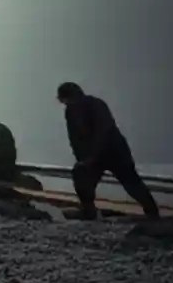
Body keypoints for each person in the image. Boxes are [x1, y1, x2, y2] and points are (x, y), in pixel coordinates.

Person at [56, 82, 160, 220]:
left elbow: (103, 131)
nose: (66, 103)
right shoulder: (70, 112)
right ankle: (88, 211)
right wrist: (81, 158)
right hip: (92, 156)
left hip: (114, 151)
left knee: (131, 182)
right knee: (81, 176)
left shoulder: (96, 105)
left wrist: (92, 156)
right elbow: (74, 138)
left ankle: (152, 213)